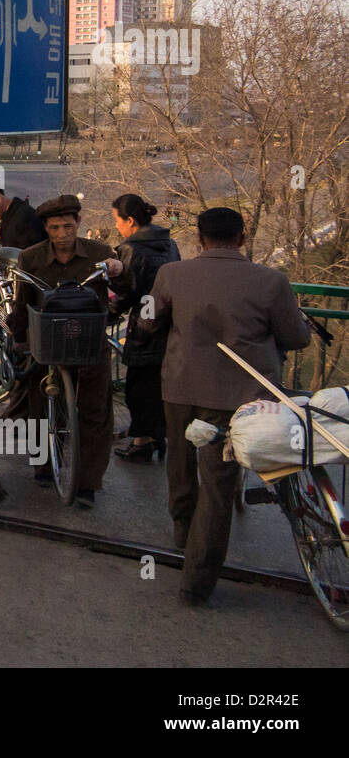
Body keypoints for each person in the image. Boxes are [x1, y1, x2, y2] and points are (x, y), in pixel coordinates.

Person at [142, 207, 310, 606]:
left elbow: (148, 321)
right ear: (242, 237)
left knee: (180, 467)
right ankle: (196, 582)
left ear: (200, 238)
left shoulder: (171, 275)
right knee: (218, 486)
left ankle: (183, 535)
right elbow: (296, 336)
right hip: (240, 399)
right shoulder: (271, 281)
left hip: (181, 388)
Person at [7, 195, 131, 508]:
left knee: (93, 413)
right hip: (47, 343)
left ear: (78, 222)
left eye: (67, 225)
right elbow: (23, 302)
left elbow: (128, 287)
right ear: (45, 229)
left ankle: (88, 483)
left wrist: (119, 269)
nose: (62, 234)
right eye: (54, 228)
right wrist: (19, 337)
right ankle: (44, 465)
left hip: (89, 344)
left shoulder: (99, 253)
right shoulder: (31, 258)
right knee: (40, 405)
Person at [108, 194, 180, 462]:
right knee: (158, 387)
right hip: (170, 324)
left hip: (145, 327)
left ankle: (140, 443)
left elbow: (128, 292)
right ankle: (156, 438)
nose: (116, 226)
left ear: (130, 220)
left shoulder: (132, 249)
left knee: (137, 388)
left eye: (117, 220)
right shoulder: (169, 244)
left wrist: (109, 312)